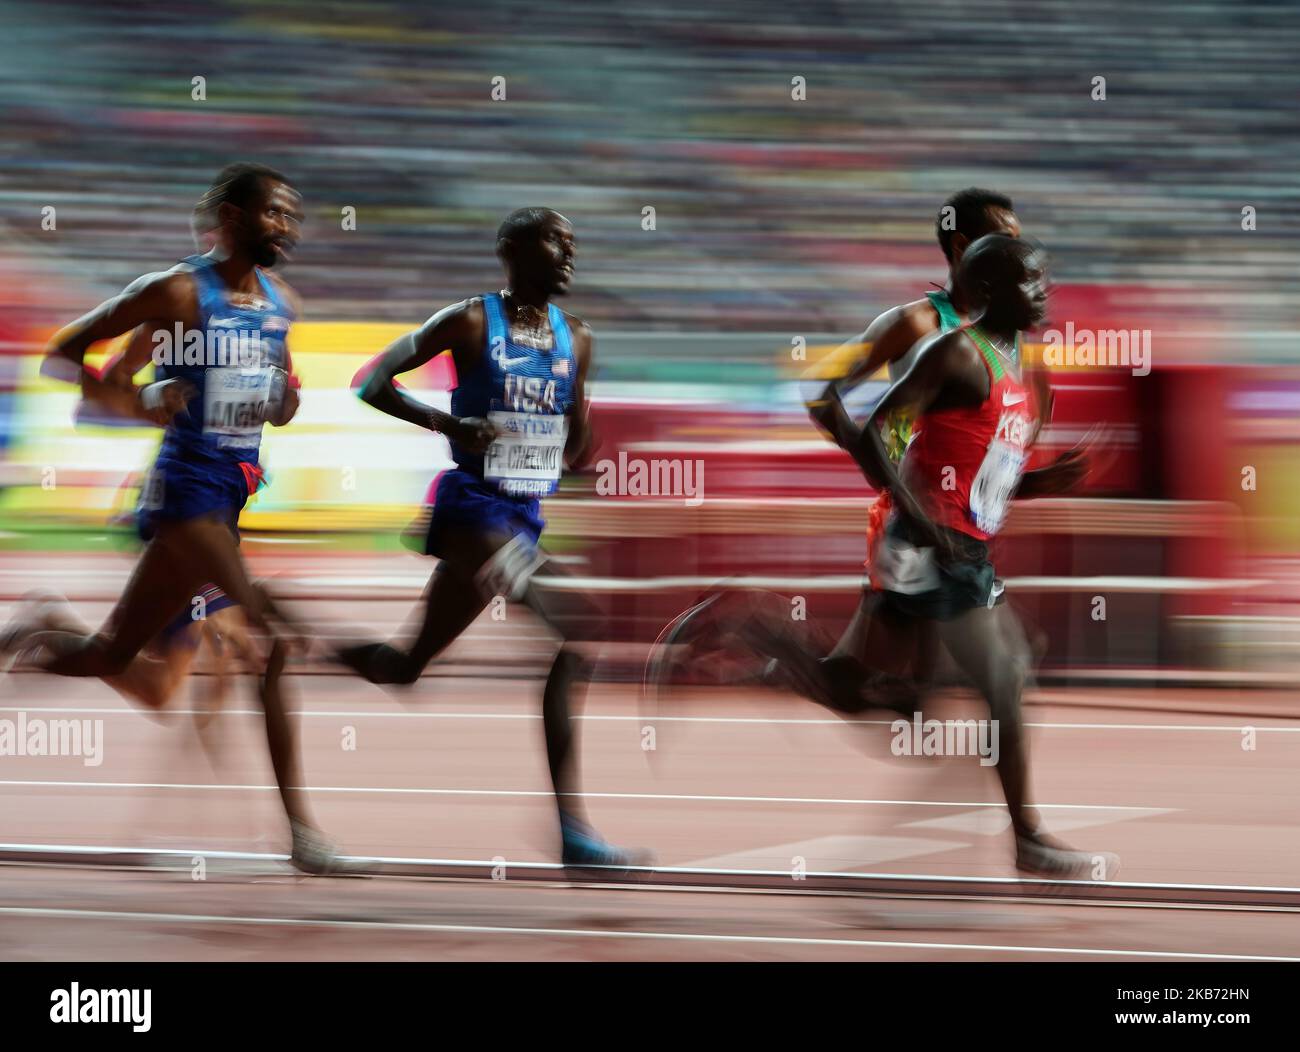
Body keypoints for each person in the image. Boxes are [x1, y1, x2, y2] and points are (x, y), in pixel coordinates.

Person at [1, 162, 346, 873]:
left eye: (293, 217)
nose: (286, 228)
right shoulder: (177, 291)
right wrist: (141, 398)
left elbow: (283, 402)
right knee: (273, 640)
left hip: (230, 499)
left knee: (117, 660)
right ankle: (306, 839)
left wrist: (281, 398)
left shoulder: (283, 303)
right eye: (272, 214)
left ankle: (42, 628)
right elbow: (66, 355)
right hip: (184, 502)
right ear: (231, 218)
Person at [336, 207, 647, 869]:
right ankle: (572, 834)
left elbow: (574, 439)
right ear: (512, 249)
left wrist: (579, 442)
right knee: (579, 629)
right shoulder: (471, 321)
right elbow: (369, 382)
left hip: (522, 515)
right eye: (554, 242)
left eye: (573, 245)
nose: (568, 255)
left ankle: (295, 639)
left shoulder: (578, 338)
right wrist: (448, 425)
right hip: (474, 512)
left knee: (405, 666)